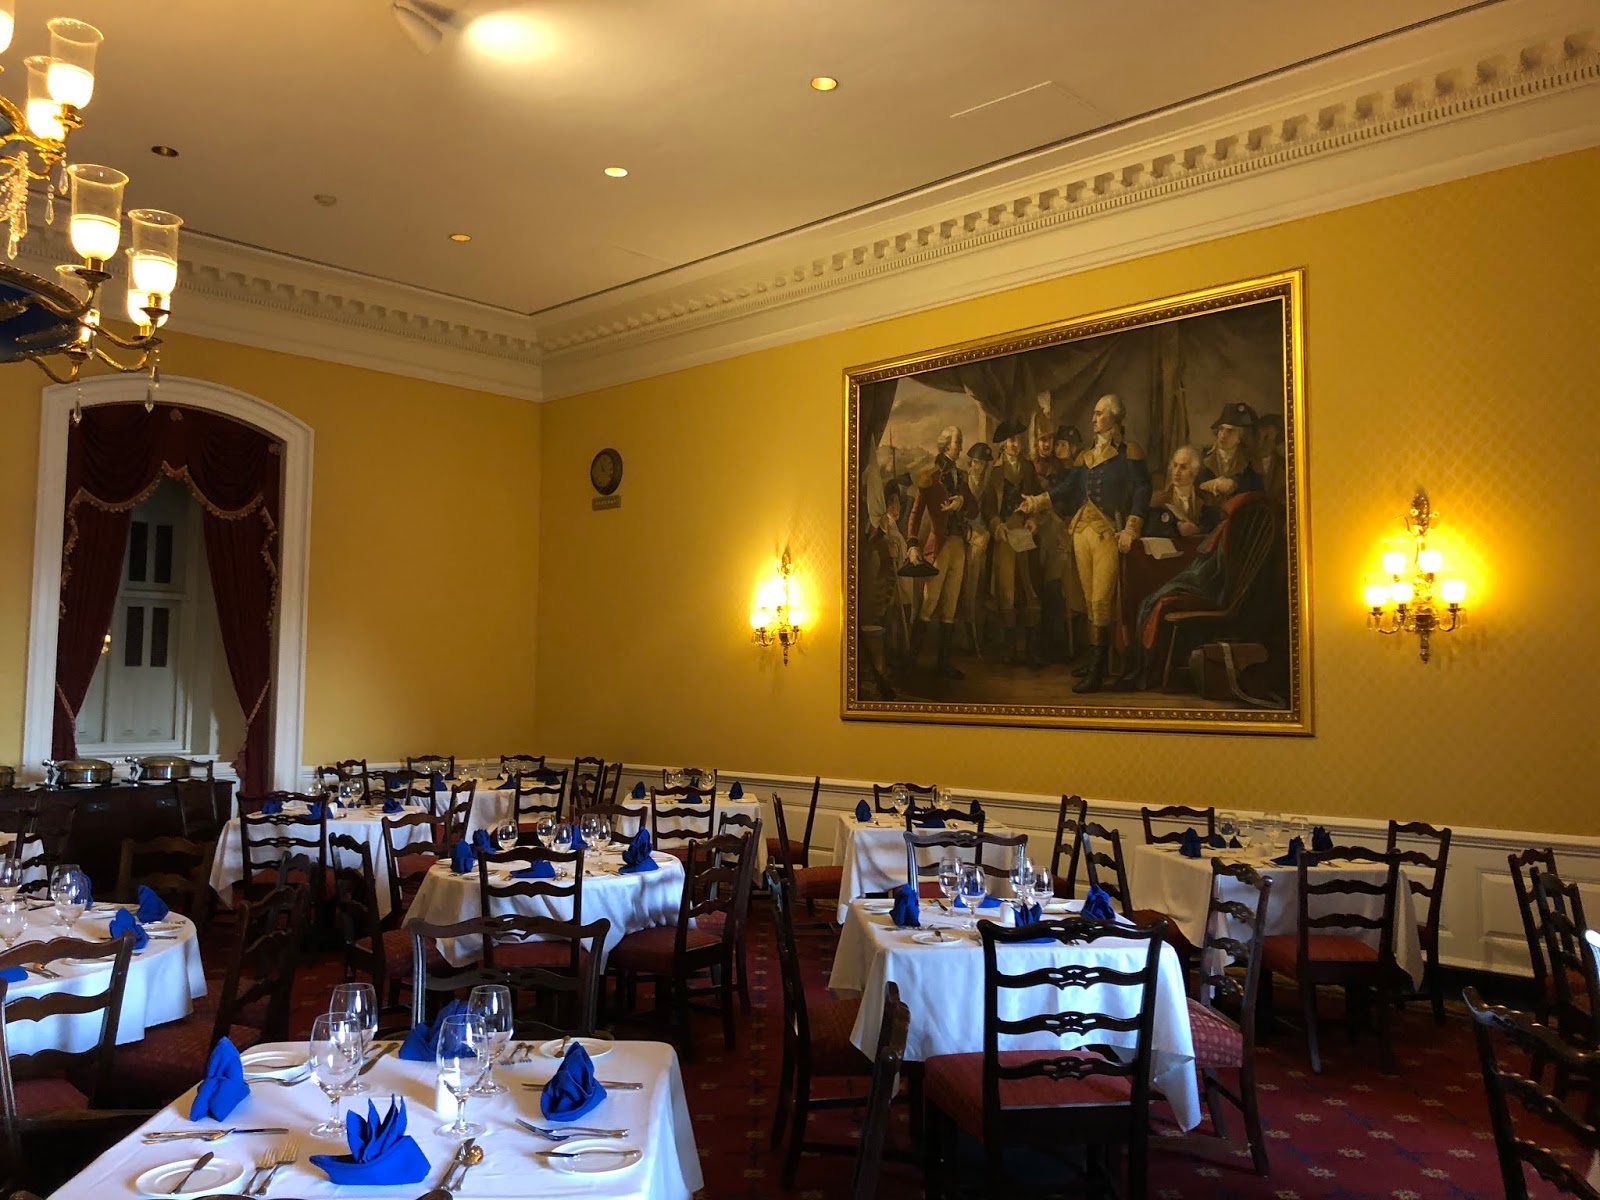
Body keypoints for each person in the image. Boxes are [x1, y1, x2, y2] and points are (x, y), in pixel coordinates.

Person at [1023, 393, 1149, 692]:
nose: (1093, 418)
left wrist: (1132, 527)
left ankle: (1099, 669)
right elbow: (1068, 487)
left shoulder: (1129, 453)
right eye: (1093, 413)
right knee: (1089, 601)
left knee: (1101, 600)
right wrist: (1038, 501)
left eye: (1099, 413)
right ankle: (1096, 662)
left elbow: (1143, 489)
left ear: (1114, 418)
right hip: (1081, 531)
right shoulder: (1085, 456)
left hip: (1109, 532)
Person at [903, 425, 974, 679]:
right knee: (929, 602)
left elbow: (974, 508)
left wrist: (962, 502)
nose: (961, 448)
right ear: (946, 446)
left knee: (951, 604)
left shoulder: (962, 477)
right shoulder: (930, 478)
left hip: (958, 545)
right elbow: (915, 515)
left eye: (961, 442)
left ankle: (943, 664)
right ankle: (911, 663)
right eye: (958, 443)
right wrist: (912, 545)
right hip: (939, 546)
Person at [985, 417, 1044, 665]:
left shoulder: (1028, 468)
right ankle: (1010, 649)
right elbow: (989, 506)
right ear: (1003, 445)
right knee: (1006, 587)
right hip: (1005, 532)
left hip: (1024, 530)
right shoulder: (995, 472)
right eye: (1011, 441)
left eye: (1018, 440)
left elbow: (1037, 499)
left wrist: (1033, 520)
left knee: (1030, 585)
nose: (1015, 444)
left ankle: (1031, 649)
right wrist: (996, 525)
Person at [958, 442, 997, 646]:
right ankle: (965, 629)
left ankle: (976, 629)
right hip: (964, 535)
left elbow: (991, 514)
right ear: (970, 463)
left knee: (979, 584)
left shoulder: (988, 488)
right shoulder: (963, 482)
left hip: (982, 539)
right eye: (975, 462)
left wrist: (988, 530)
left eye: (981, 463)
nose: (978, 467)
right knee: (965, 584)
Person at [1144, 445, 1217, 540]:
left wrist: (1197, 530)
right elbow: (1151, 530)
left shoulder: (1206, 498)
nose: (1176, 472)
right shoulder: (1158, 500)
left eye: (1183, 467)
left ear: (1194, 472)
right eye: (1175, 465)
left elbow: (1213, 527)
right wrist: (1176, 529)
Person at [1197, 401, 1262, 501]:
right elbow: (1192, 488)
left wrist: (1235, 485)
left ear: (1240, 437)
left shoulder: (1250, 462)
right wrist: (1212, 485)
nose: (1223, 435)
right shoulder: (1202, 456)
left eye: (1230, 431)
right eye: (1221, 429)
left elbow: (1257, 495)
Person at [1254, 412, 1286, 502]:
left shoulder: (1284, 465)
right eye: (1260, 436)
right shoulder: (1246, 462)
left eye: (1268, 437)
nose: (1262, 442)